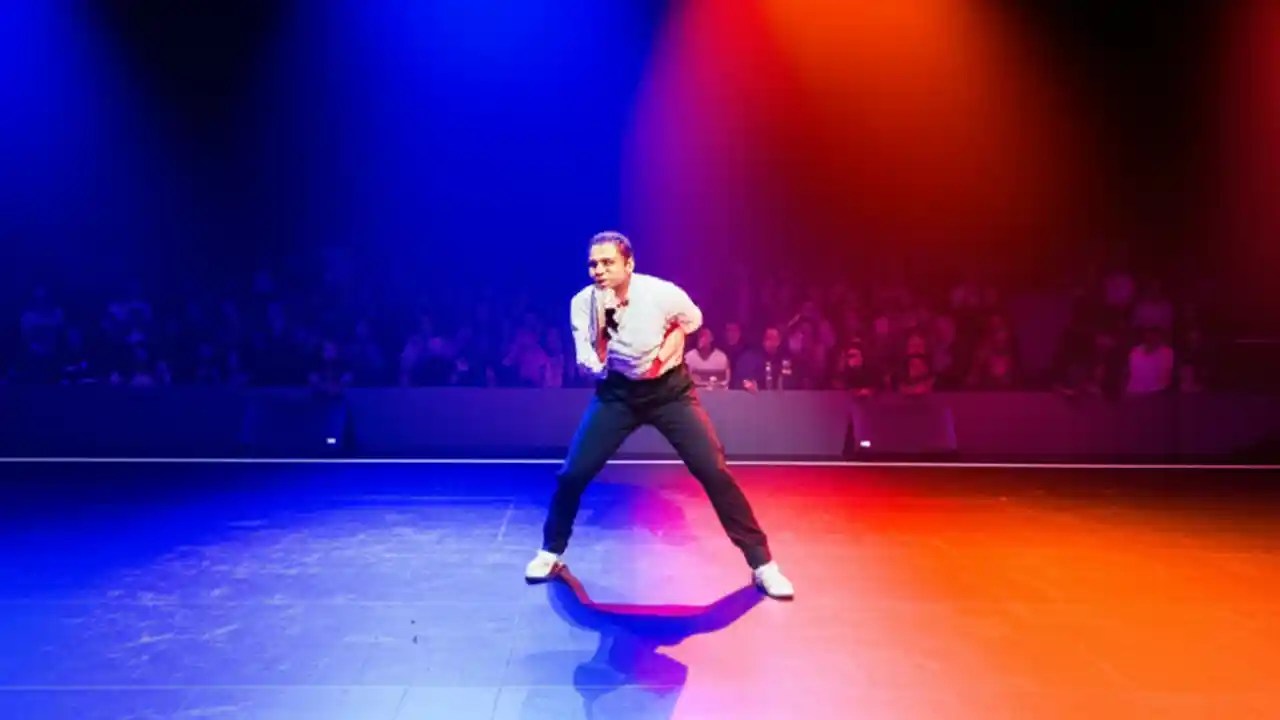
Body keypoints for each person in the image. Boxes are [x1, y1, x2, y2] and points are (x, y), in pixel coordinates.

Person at [524, 231, 794, 599]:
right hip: (618, 394)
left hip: (670, 393)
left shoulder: (661, 294)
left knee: (712, 469)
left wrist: (672, 340)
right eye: (593, 264)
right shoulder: (582, 304)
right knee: (573, 473)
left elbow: (694, 319)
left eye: (607, 263)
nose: (598, 270)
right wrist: (603, 345)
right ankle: (550, 552)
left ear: (629, 264)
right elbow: (586, 360)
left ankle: (762, 564)